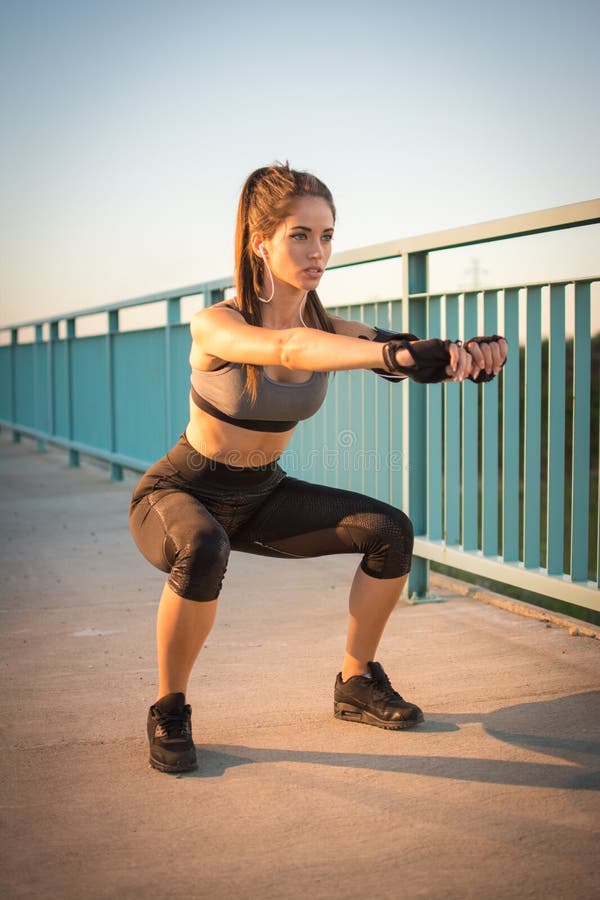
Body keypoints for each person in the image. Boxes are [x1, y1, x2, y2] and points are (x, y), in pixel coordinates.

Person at [129, 162, 507, 774]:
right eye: (300, 235)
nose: (318, 251)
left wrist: (468, 357)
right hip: (181, 492)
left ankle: (356, 681)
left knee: (390, 531)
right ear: (261, 242)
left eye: (327, 235)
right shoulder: (217, 324)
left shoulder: (335, 330)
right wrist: (390, 353)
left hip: (262, 495)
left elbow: (398, 351)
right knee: (201, 548)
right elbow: (287, 347)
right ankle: (169, 706)